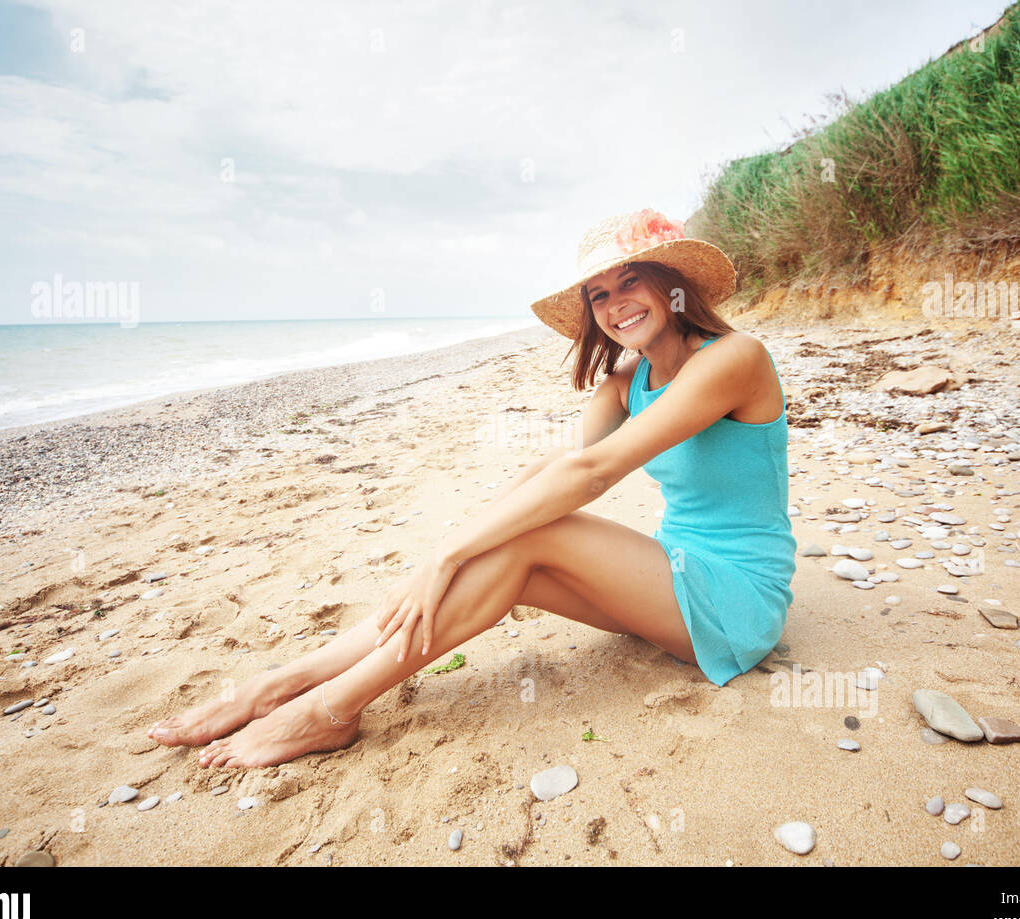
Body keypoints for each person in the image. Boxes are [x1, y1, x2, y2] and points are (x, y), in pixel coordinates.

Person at [147, 207, 796, 768]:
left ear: (673, 286)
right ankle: (282, 685)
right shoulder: (625, 382)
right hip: (670, 580)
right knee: (502, 556)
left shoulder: (735, 359)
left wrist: (445, 552)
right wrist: (453, 551)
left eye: (632, 281)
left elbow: (593, 475)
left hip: (736, 600)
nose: (615, 303)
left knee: (521, 536)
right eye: (599, 295)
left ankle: (331, 709)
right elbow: (553, 467)